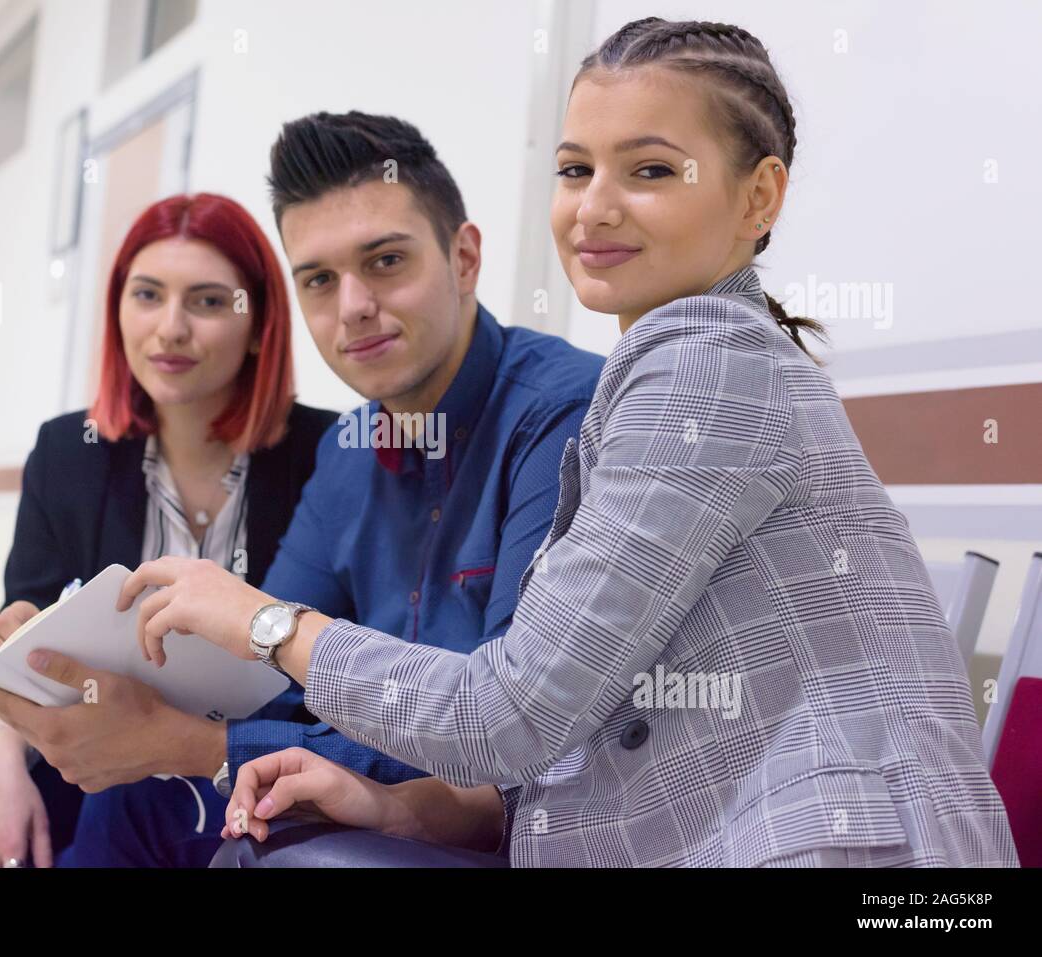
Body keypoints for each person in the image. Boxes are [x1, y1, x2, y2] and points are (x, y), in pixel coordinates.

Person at [113, 18, 1020, 867]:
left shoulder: (704, 367)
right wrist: (398, 805)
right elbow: (553, 747)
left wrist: (266, 624)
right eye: (575, 169)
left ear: (759, 196)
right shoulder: (664, 371)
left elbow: (506, 715)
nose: (595, 208)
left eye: (652, 170)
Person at [0, 111, 605, 866]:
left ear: (464, 259)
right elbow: (269, 687)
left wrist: (195, 742)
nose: (354, 306)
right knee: (130, 799)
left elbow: (504, 735)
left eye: (387, 261)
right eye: (320, 280)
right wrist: (79, 673)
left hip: (516, 825)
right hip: (379, 790)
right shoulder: (347, 452)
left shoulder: (562, 416)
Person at [0, 193, 337, 867]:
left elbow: (327, 679)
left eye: (210, 302)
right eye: (148, 295)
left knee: (125, 806)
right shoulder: (71, 452)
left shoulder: (326, 453)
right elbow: (25, 634)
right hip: (89, 746)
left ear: (258, 324)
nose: (171, 327)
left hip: (237, 759)